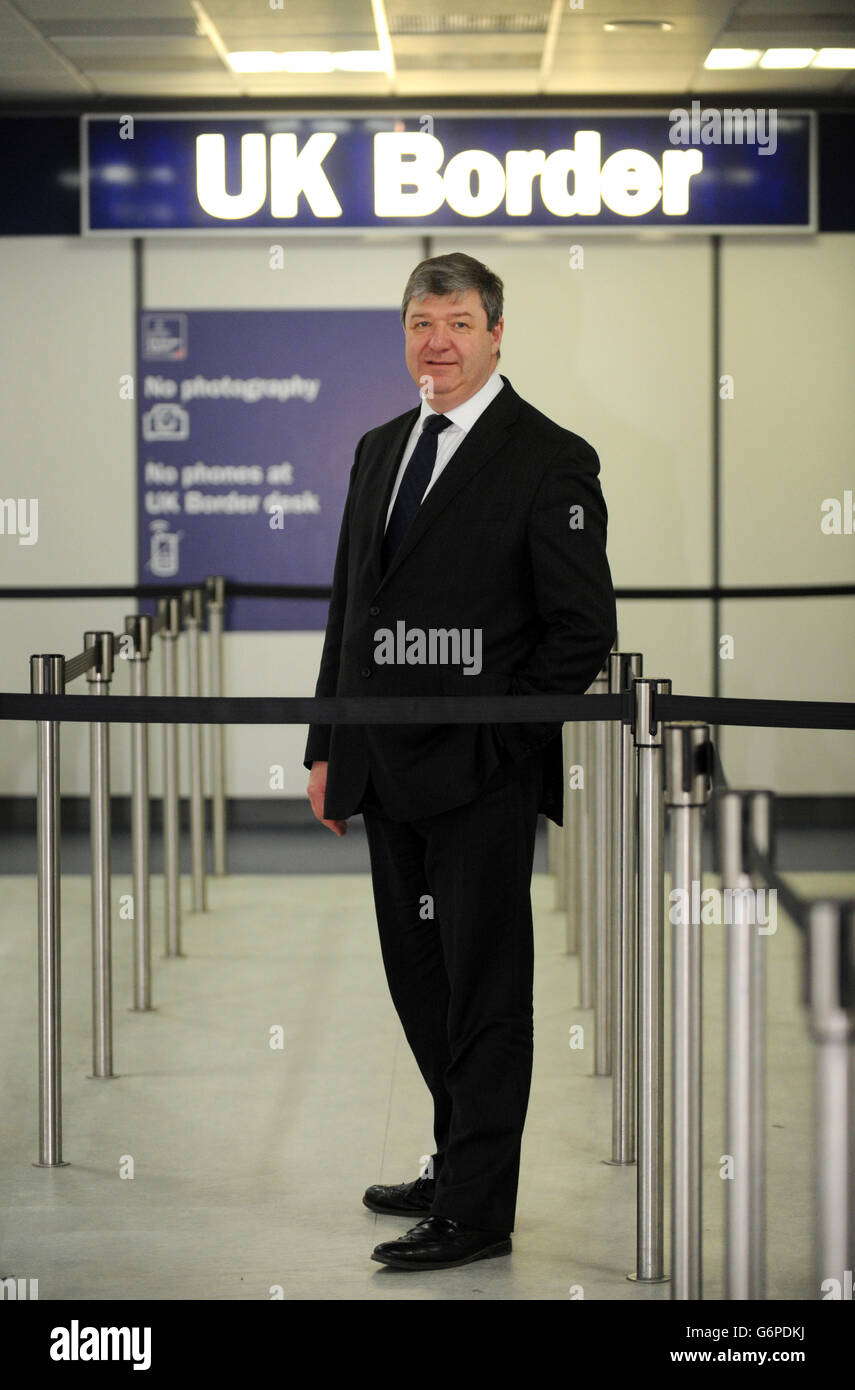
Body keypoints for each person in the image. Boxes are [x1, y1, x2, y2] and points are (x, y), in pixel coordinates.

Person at [304, 251, 616, 1271]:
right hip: (382, 769)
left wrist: (497, 741)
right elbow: (353, 609)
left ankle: (478, 1211)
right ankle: (456, 1155)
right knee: (419, 982)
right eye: (418, 324)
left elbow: (579, 634)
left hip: (479, 779)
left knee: (486, 992)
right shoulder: (379, 447)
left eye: (457, 322)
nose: (435, 341)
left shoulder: (549, 457)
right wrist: (325, 744)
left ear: (494, 334)